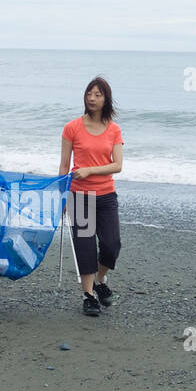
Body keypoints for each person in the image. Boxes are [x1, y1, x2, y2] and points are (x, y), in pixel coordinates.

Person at [60, 76, 124, 317]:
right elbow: (64, 165)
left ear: (106, 99)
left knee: (111, 245)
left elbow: (117, 165)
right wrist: (62, 197)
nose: (92, 98)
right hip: (79, 196)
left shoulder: (114, 129)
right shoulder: (72, 127)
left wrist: (89, 170)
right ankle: (88, 295)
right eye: (89, 94)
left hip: (106, 196)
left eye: (98, 95)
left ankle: (100, 279)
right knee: (85, 247)